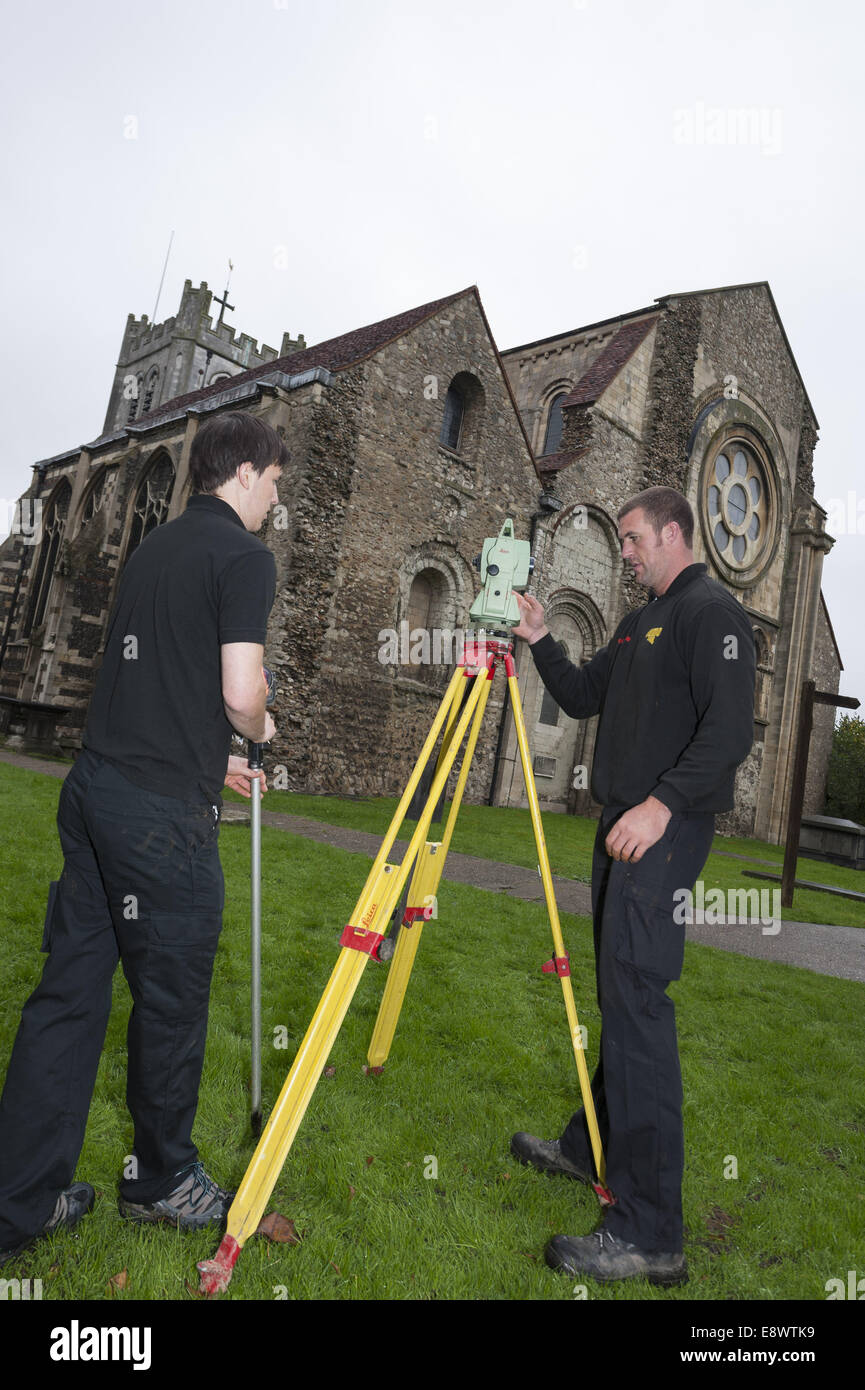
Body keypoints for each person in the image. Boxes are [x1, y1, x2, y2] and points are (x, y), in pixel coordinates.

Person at [0, 410, 285, 1263]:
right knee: (170, 1004)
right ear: (244, 475)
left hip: (95, 791)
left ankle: (22, 1201)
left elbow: (155, 671)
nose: (275, 496)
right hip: (159, 824)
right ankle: (161, 1180)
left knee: (70, 994)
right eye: (273, 480)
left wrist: (211, 766)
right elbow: (238, 692)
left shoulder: (154, 549)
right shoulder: (244, 557)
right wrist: (259, 729)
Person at [510, 486, 755, 1286]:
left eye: (633, 538)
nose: (625, 552)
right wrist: (542, 638)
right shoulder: (634, 621)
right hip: (622, 828)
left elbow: (724, 739)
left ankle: (651, 1230)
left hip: (663, 832)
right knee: (620, 1000)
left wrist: (660, 807)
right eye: (622, 540)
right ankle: (588, 1150)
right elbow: (581, 694)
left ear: (674, 534)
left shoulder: (711, 615)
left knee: (640, 1008)